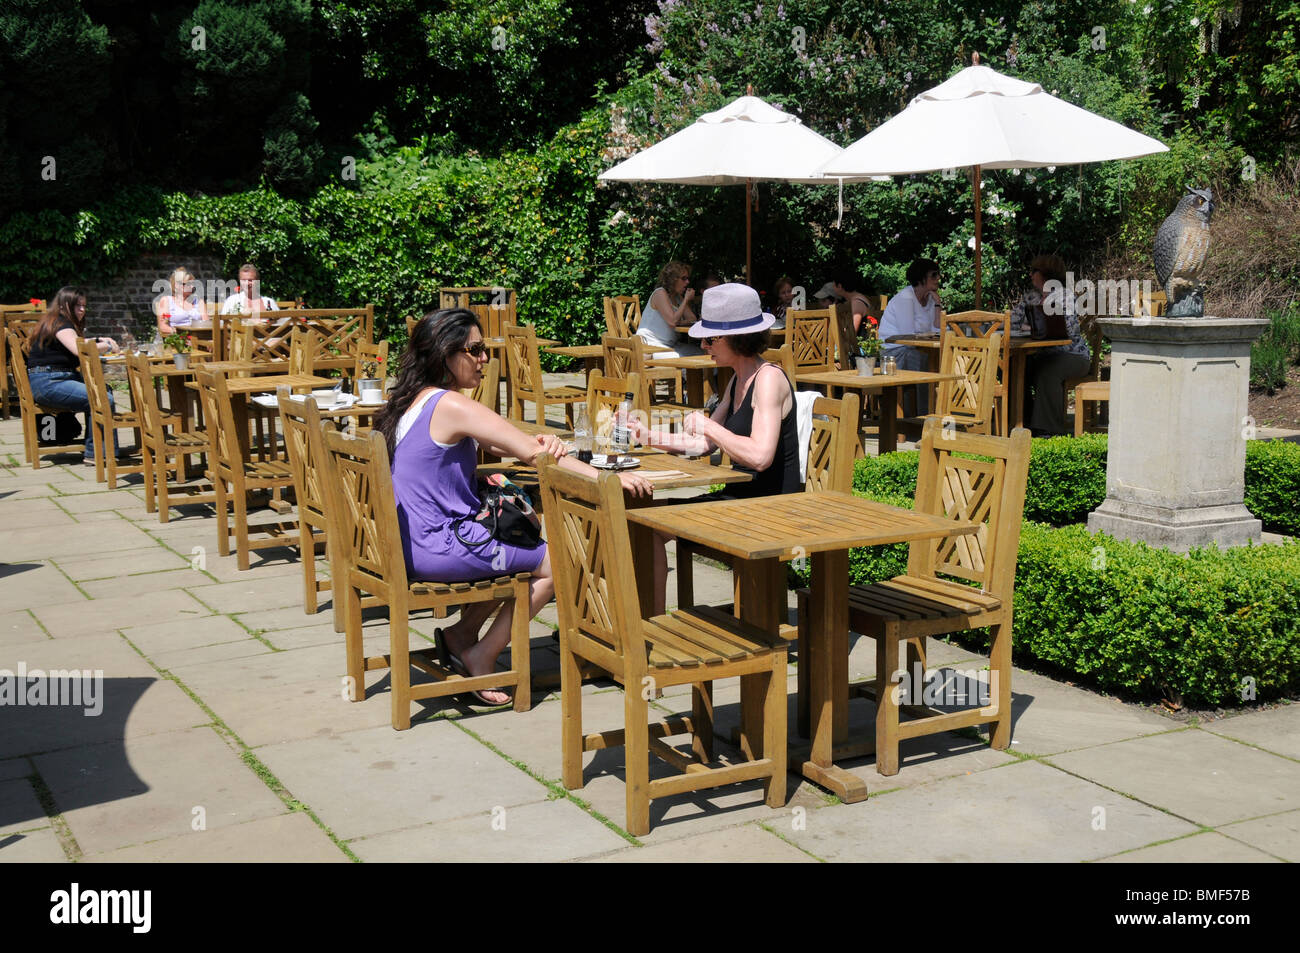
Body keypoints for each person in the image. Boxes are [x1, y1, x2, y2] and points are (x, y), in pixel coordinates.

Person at [375, 309, 653, 705]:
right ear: (444, 354)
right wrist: (607, 478)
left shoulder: (411, 401)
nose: (485, 359)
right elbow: (535, 457)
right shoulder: (452, 404)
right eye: (475, 349)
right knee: (560, 562)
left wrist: (536, 445)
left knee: (523, 547)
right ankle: (481, 655)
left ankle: (461, 635)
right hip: (440, 546)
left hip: (411, 542)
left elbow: (514, 445)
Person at [629, 283, 800, 613]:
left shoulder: (768, 380)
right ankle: (649, 625)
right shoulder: (738, 377)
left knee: (648, 528)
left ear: (738, 338)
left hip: (769, 510)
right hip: (740, 500)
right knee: (645, 524)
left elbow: (760, 457)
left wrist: (709, 425)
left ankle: (653, 628)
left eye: (710, 338)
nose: (703, 345)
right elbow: (702, 444)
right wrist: (646, 435)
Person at [25, 287, 122, 464]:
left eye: (84, 306)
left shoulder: (56, 321)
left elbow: (79, 342)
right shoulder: (61, 323)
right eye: (78, 306)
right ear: (64, 306)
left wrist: (100, 340)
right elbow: (78, 348)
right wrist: (106, 345)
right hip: (50, 382)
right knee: (102, 398)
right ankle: (99, 454)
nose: (82, 310)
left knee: (104, 389)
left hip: (50, 379)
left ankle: (96, 448)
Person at [1012, 254, 1091, 436]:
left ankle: (1049, 429)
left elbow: (1070, 330)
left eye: (1034, 271)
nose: (1030, 275)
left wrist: (1033, 327)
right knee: (1015, 368)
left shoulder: (1064, 296)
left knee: (1047, 372)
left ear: (1046, 273)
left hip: (1073, 356)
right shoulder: (1031, 297)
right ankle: (1021, 421)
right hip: (1044, 354)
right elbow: (1012, 321)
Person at [878, 259, 944, 415]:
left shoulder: (930, 299)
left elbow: (937, 329)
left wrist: (937, 305)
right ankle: (924, 415)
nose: (938, 278)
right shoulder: (906, 297)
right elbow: (907, 336)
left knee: (945, 358)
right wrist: (929, 334)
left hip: (914, 348)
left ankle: (937, 411)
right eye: (934, 275)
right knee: (924, 361)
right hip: (892, 353)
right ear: (921, 278)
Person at [638, 260, 705, 357]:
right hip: (651, 346)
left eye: (687, 278)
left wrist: (680, 322)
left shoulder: (677, 297)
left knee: (702, 353)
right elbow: (673, 322)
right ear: (672, 279)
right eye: (684, 278)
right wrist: (686, 299)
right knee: (687, 362)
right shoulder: (660, 293)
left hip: (669, 345)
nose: (687, 282)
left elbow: (692, 318)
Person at [154, 267, 206, 336]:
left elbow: (206, 323)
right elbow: (163, 326)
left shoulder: (199, 301)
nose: (192, 286)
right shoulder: (167, 301)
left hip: (199, 339)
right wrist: (180, 335)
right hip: (179, 339)